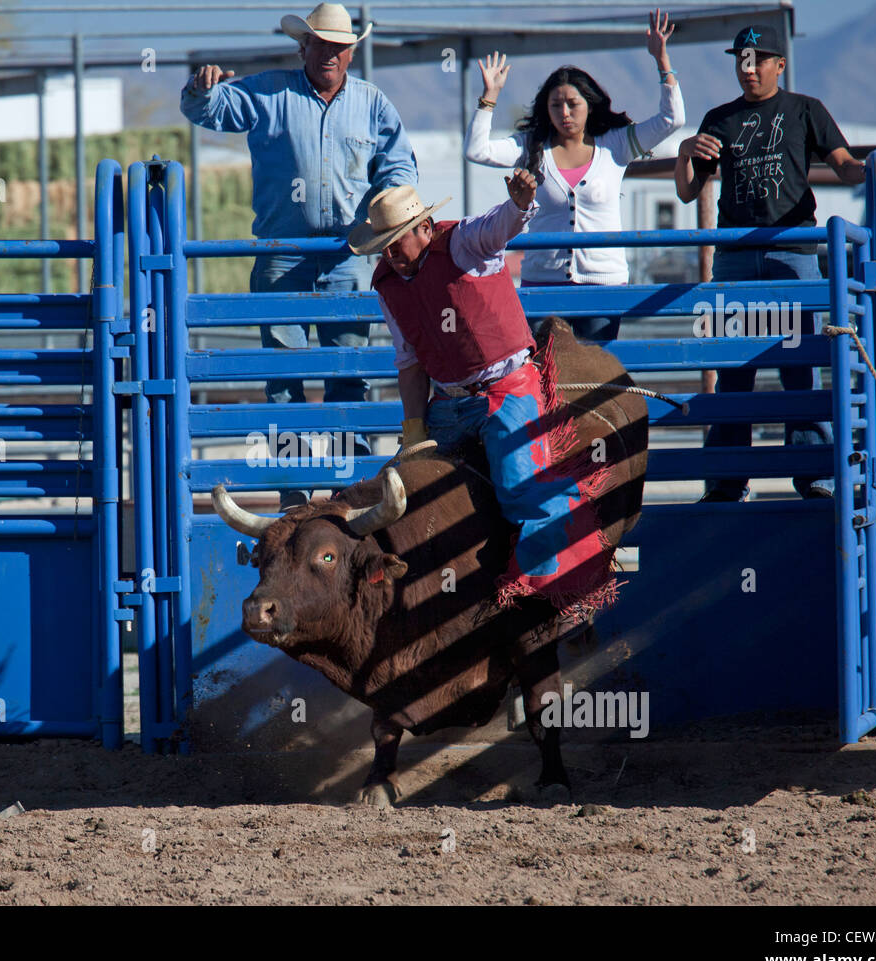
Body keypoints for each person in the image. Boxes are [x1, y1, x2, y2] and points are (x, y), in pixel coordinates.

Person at [181, 2, 418, 508]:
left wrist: (385, 202)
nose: (329, 53)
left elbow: (399, 166)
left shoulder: (374, 105)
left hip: (348, 255)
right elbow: (208, 110)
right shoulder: (268, 92)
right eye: (320, 44)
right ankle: (294, 493)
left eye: (338, 46)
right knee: (285, 379)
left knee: (346, 375)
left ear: (351, 52)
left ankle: (347, 490)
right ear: (303, 47)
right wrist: (202, 89)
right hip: (283, 256)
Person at [348, 178, 613, 616]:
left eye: (396, 242)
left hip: (507, 389)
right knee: (410, 495)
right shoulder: (388, 286)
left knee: (520, 490)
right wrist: (414, 431)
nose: (390, 254)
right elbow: (410, 361)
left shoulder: (465, 243)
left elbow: (502, 223)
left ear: (425, 228)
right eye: (384, 247)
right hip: (447, 404)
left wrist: (521, 203)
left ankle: (548, 600)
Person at [675, 23, 866, 502]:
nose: (749, 67)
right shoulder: (718, 119)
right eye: (742, 59)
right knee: (733, 370)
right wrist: (683, 150)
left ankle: (815, 477)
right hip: (737, 259)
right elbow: (685, 190)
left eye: (759, 59)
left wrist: (872, 170)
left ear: (780, 64)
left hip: (793, 255)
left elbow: (843, 163)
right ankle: (727, 480)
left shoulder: (806, 110)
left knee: (800, 367)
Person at [465, 8, 684, 342]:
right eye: (555, 105)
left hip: (603, 288)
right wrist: (489, 98)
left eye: (572, 103)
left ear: (590, 105)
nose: (564, 113)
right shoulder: (530, 146)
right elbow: (476, 151)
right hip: (543, 287)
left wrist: (662, 60)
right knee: (546, 379)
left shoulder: (617, 145)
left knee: (598, 380)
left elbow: (672, 119)